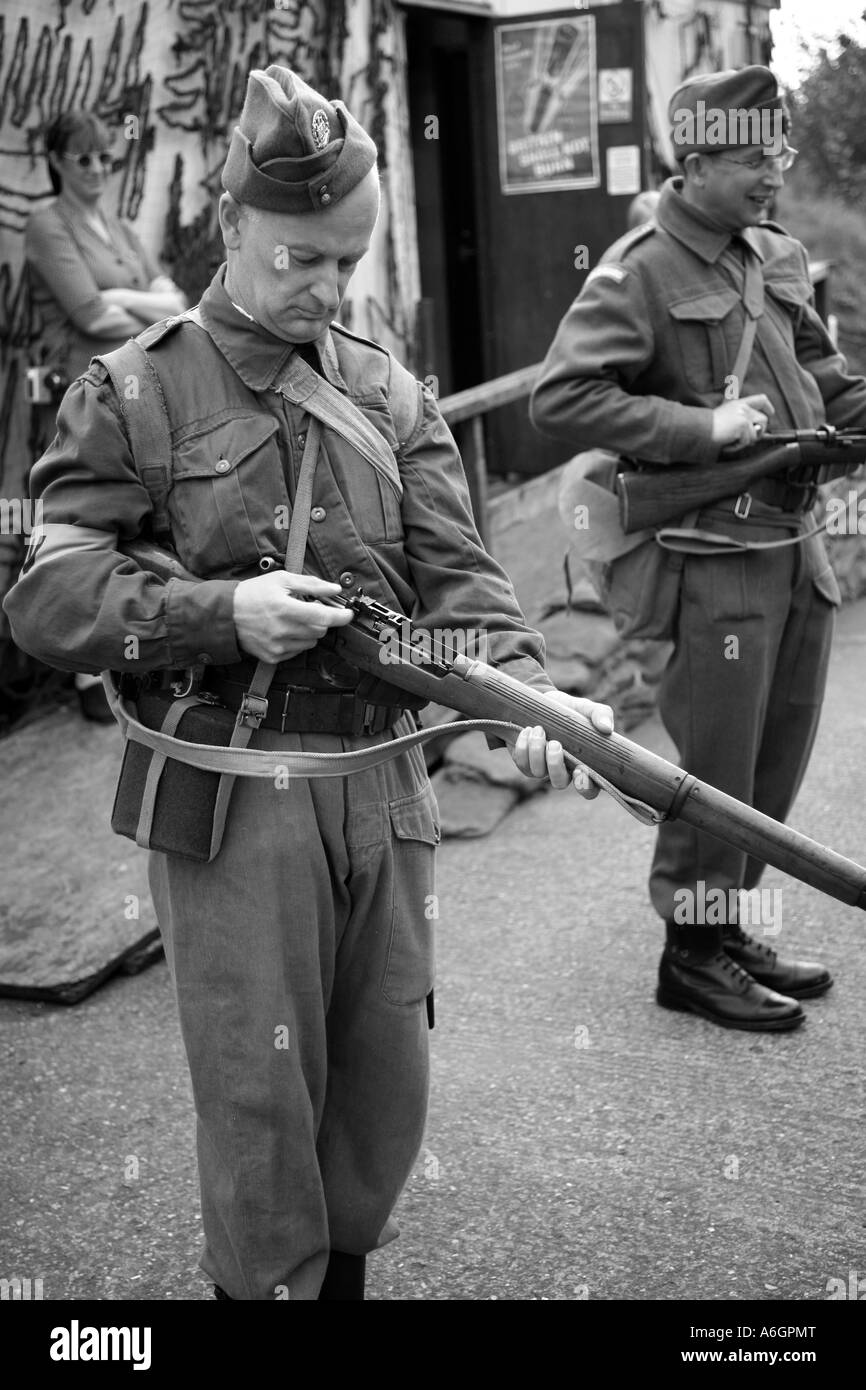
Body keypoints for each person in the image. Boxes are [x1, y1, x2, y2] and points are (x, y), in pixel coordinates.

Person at [4, 65, 614, 1300]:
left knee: (384, 1078)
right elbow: (46, 598)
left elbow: (463, 595)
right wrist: (214, 612)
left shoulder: (389, 391)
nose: (330, 288)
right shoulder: (133, 389)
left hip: (382, 786)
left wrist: (533, 708)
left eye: (350, 260)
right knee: (257, 1093)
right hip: (234, 804)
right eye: (300, 260)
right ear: (230, 228)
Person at [531, 66, 866, 1033]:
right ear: (699, 161)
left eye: (782, 152)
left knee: (776, 760)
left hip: (798, 547)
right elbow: (561, 398)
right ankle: (689, 953)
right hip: (712, 559)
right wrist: (697, 428)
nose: (775, 173)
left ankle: (732, 925)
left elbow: (825, 383)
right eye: (758, 157)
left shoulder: (777, 255)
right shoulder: (639, 270)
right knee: (716, 766)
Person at [24, 110, 186, 721]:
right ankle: (87, 678)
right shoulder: (47, 223)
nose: (95, 169)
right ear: (57, 161)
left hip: (130, 389)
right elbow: (91, 318)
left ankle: (125, 653)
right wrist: (145, 308)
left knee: (132, 518)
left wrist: (126, 298)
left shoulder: (117, 226)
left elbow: (169, 298)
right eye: (83, 158)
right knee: (81, 522)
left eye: (104, 158)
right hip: (77, 396)